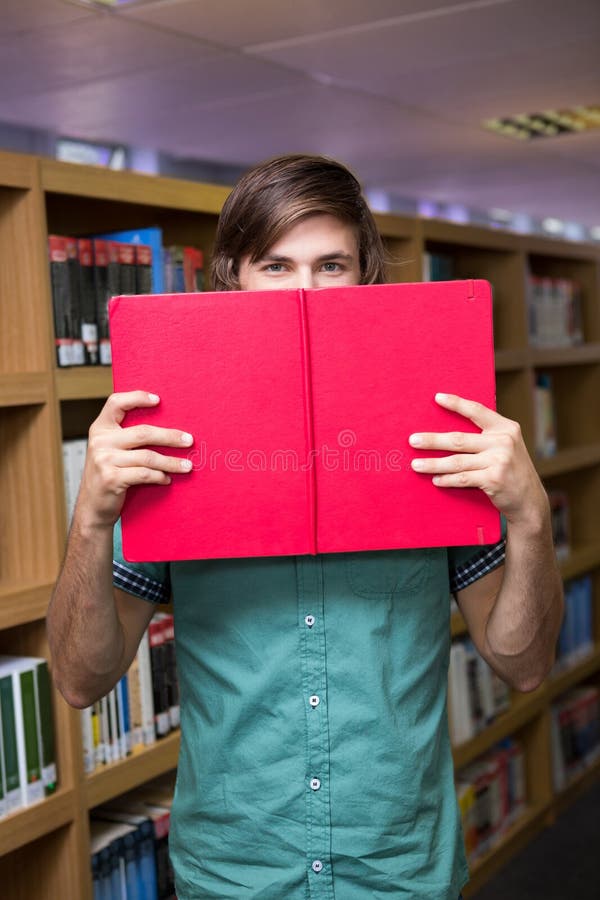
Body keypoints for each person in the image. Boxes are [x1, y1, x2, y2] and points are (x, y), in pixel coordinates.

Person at [48, 154, 564, 900]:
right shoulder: (170, 437)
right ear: (231, 274)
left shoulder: (430, 429)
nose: (305, 292)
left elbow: (522, 664)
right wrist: (93, 522)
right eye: (276, 265)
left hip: (399, 872)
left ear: (366, 274)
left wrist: (531, 518)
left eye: (331, 265)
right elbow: (79, 680)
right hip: (234, 876)